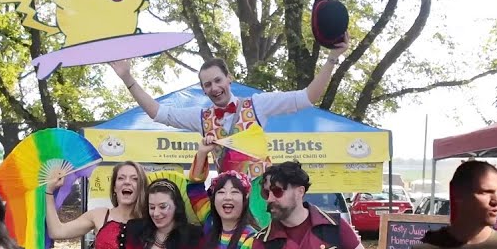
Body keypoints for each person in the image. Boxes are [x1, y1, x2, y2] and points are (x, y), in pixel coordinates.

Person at [110, 44, 347, 186]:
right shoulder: (201, 117)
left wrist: (332, 58)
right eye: (207, 85)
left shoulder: (258, 105)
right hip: (228, 202)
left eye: (217, 80)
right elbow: (157, 112)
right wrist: (126, 78)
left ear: (229, 78)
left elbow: (308, 97)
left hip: (262, 197)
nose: (213, 88)